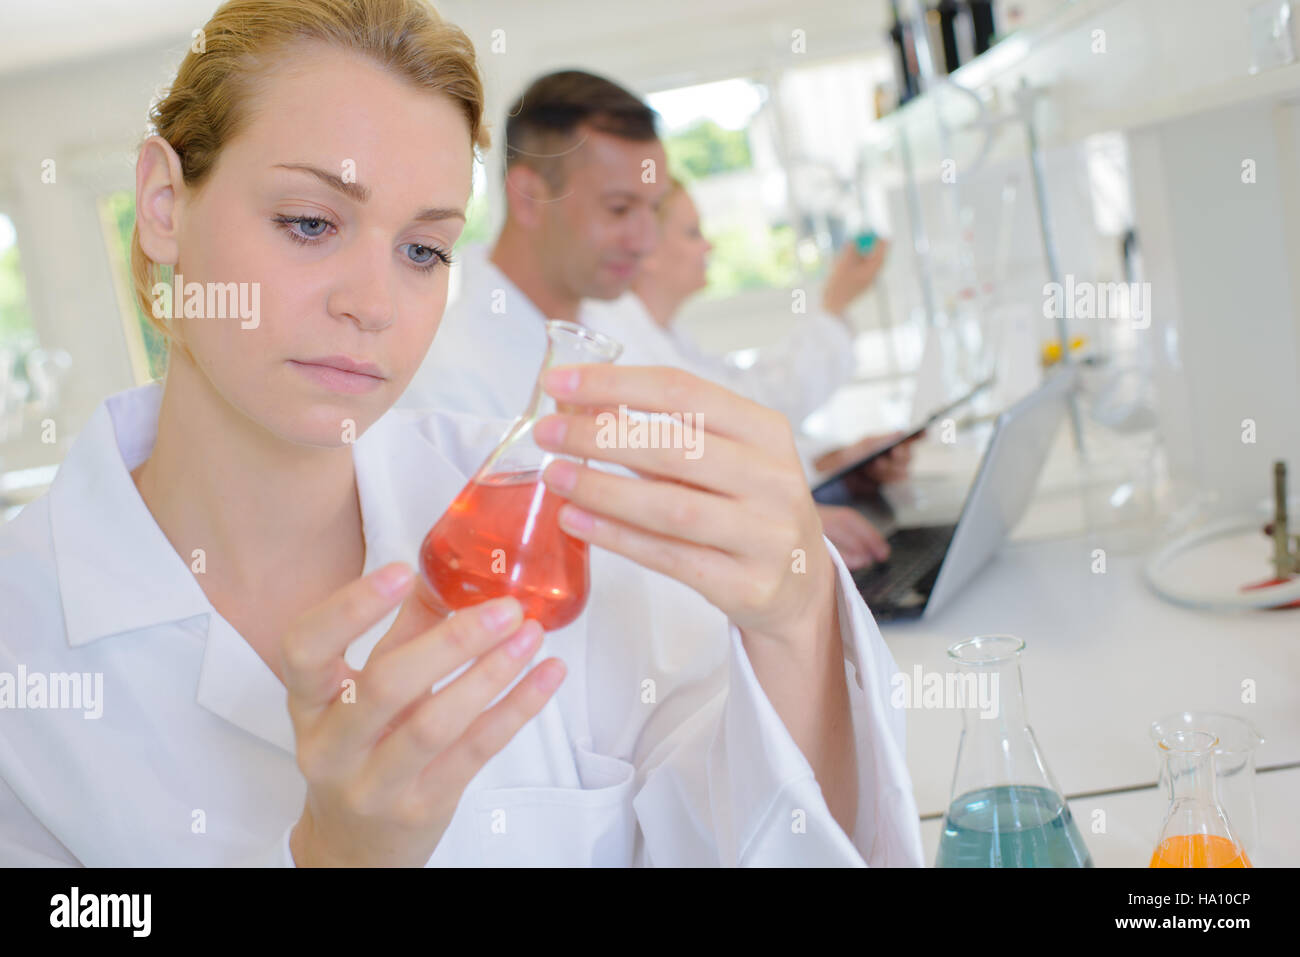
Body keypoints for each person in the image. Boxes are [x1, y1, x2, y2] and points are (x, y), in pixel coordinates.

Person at [0, 0, 923, 866]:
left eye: (422, 250)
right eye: (310, 222)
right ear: (164, 205)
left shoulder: (542, 517)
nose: (372, 306)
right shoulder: (21, 641)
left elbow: (761, 840)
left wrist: (797, 621)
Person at [581, 175, 921, 569]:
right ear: (646, 245)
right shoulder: (619, 346)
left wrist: (842, 465)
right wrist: (835, 302)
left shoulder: (669, 337)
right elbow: (717, 454)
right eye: (692, 233)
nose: (708, 245)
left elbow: (747, 408)